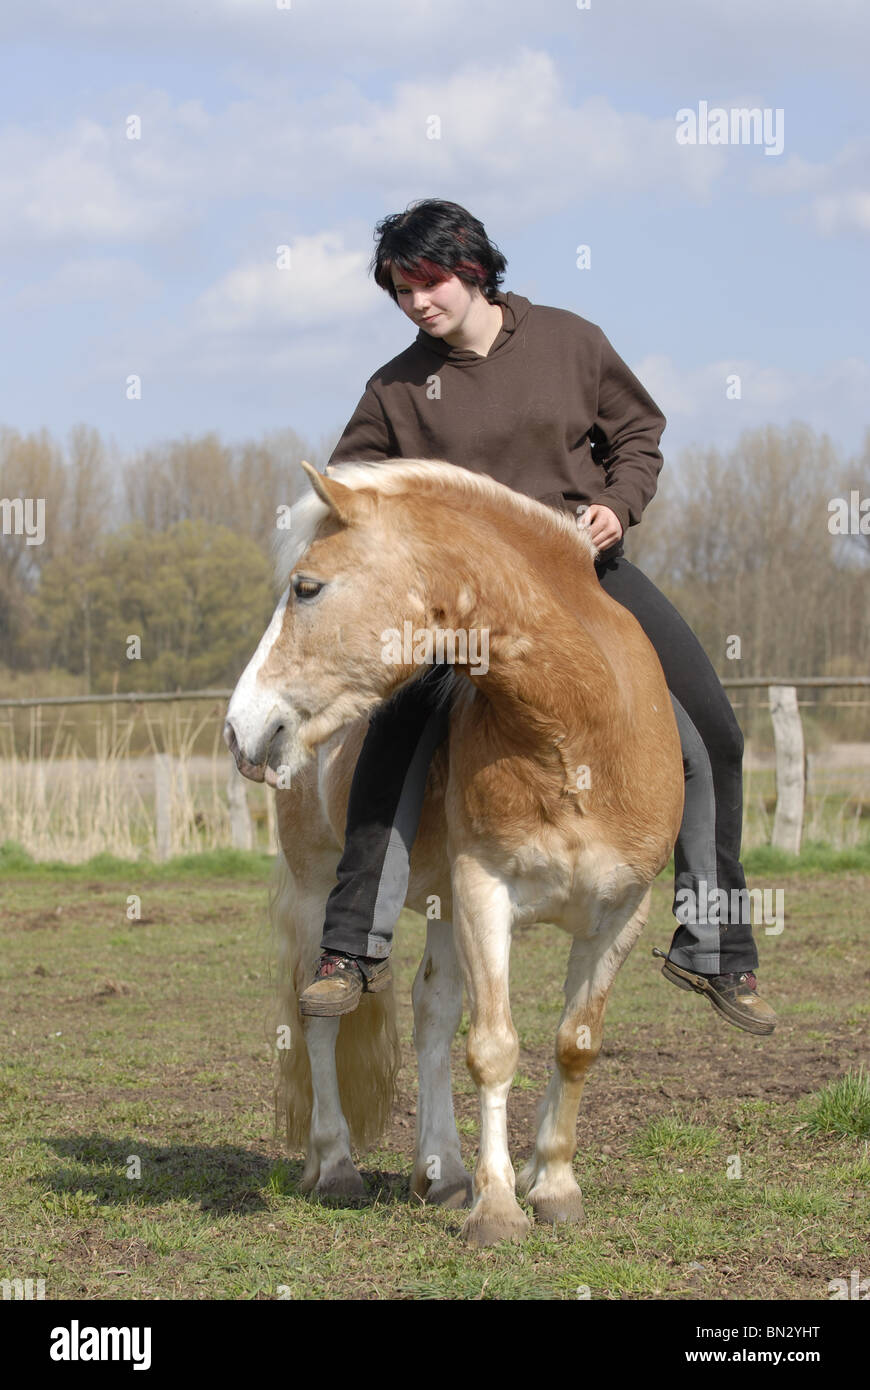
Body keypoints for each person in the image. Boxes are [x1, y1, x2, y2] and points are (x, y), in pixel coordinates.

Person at [297, 198, 776, 1037]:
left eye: (429, 280)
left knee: (714, 738)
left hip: (586, 575)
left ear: (474, 267)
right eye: (400, 291)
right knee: (394, 742)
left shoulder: (570, 341)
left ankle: (714, 946)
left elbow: (639, 434)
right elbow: (352, 491)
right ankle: (351, 949)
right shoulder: (396, 387)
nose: (416, 303)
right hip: (460, 606)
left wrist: (618, 510)